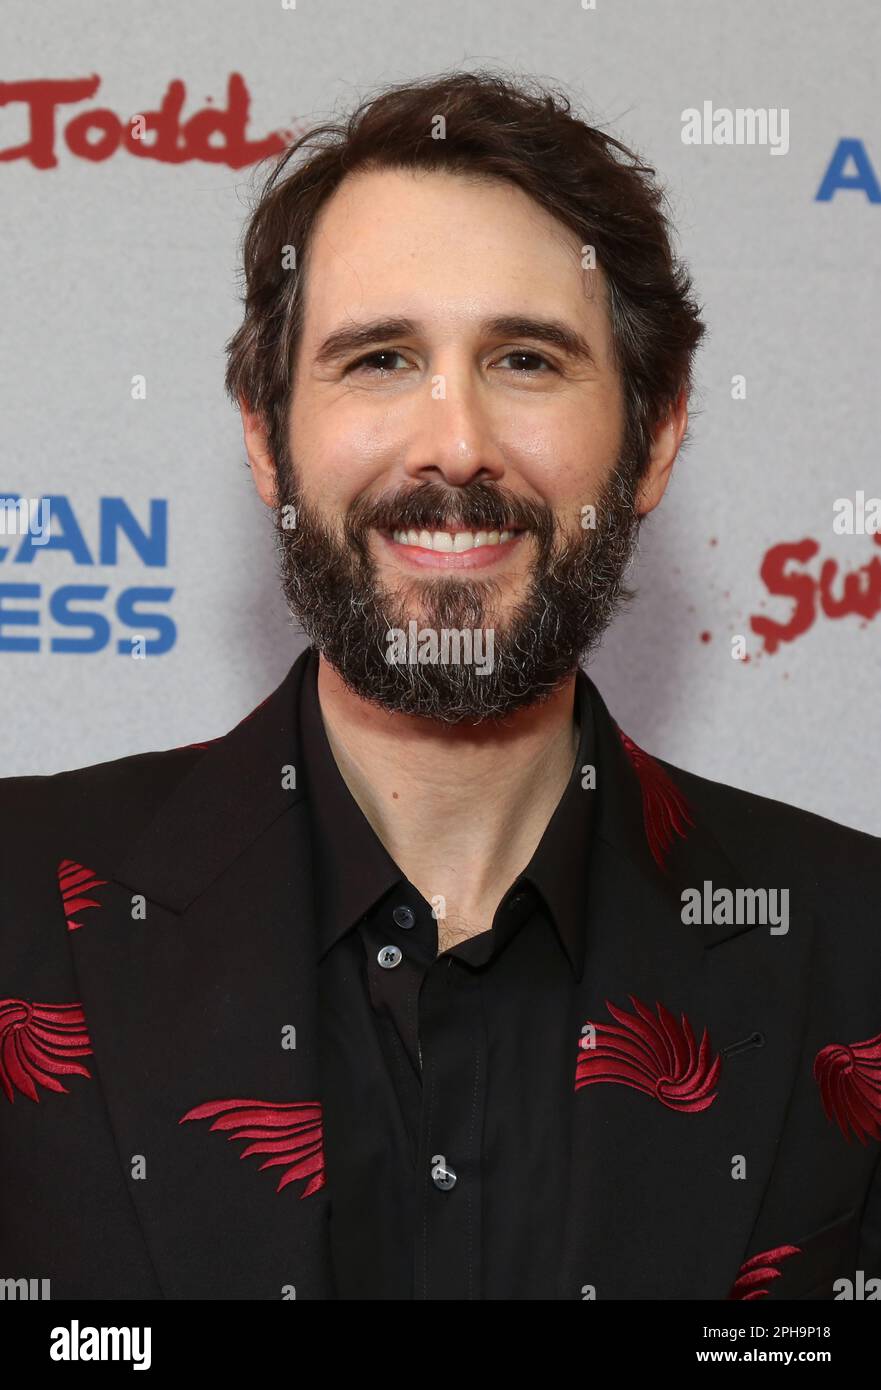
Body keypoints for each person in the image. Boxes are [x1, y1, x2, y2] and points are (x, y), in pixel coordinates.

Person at [2, 70, 879, 1302]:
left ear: (655, 436)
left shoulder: (853, 946)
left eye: (524, 358)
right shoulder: (22, 912)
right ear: (265, 435)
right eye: (378, 359)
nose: (453, 441)